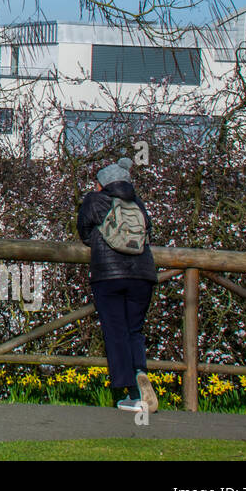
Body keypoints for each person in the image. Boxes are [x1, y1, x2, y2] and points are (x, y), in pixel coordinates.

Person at [76, 156, 159, 413]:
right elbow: (149, 231)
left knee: (116, 331)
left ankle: (132, 394)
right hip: (143, 275)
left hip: (109, 276)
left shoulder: (94, 200)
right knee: (135, 330)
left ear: (102, 183)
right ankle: (140, 372)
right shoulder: (137, 203)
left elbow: (85, 232)